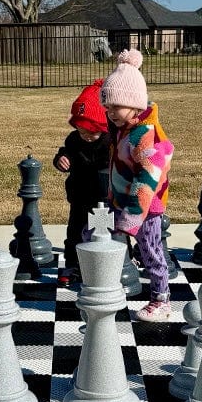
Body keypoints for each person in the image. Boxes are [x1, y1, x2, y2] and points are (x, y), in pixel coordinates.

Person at [100, 48, 175, 321]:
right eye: (107, 107)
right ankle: (106, 283)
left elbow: (147, 176)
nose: (109, 113)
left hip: (146, 208)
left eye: (115, 106)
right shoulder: (125, 130)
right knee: (104, 238)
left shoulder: (144, 134)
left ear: (134, 103)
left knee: (152, 253)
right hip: (123, 202)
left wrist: (132, 216)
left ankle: (161, 299)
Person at [52, 79, 112, 284]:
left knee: (103, 234)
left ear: (103, 126)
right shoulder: (72, 140)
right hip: (78, 198)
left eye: (92, 132)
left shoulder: (110, 141)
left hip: (102, 202)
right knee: (75, 234)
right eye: (81, 130)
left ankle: (109, 266)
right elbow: (63, 152)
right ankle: (72, 266)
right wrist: (61, 159)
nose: (86, 136)